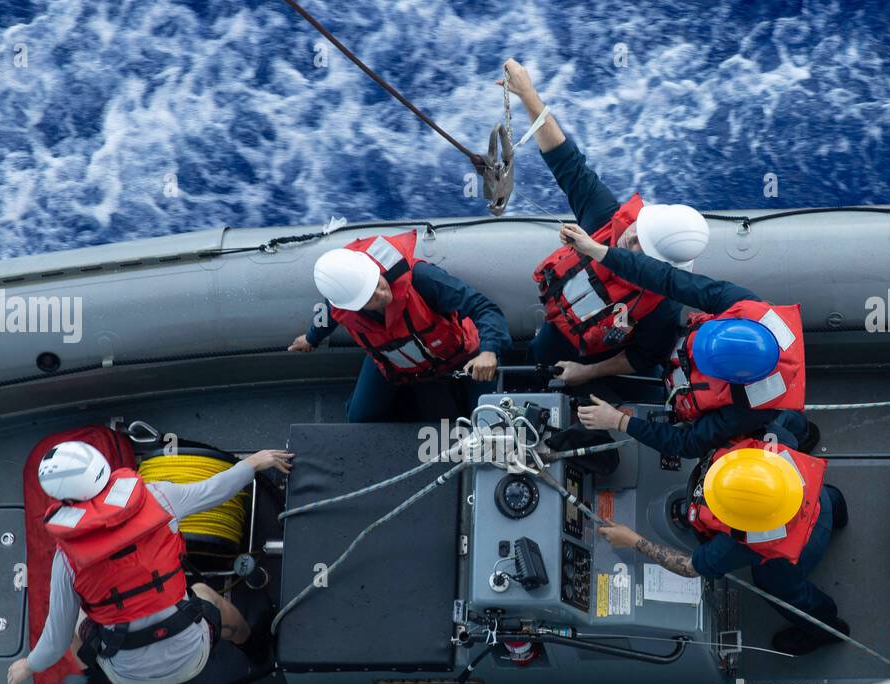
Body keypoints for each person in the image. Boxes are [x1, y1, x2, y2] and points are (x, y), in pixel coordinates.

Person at [7, 440, 294, 684]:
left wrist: (28, 665)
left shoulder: (66, 560)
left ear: (62, 498)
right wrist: (254, 463)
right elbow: (214, 490)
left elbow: (55, 644)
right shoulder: (160, 497)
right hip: (193, 655)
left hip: (128, 678)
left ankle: (95, 681)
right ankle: (256, 647)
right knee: (207, 595)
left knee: (73, 623)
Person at [500, 58, 709, 385]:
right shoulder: (605, 217)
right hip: (565, 332)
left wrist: (587, 373)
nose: (630, 240)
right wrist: (527, 94)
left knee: (645, 388)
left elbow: (645, 356)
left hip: (613, 353)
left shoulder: (664, 303)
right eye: (641, 231)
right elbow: (565, 160)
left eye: (644, 247)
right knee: (539, 357)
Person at [561, 221, 818, 458]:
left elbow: (688, 443)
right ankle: (802, 429)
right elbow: (667, 279)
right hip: (678, 368)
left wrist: (618, 421)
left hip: (715, 401)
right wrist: (596, 250)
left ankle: (803, 434)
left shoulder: (750, 408)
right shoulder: (740, 303)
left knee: (780, 425)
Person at [599, 428, 848, 655]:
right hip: (819, 501)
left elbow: (688, 567)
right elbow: (790, 424)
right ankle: (840, 511)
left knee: (778, 585)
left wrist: (632, 540)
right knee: (829, 499)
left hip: (801, 551)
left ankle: (826, 628)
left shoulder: (737, 545)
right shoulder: (776, 443)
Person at [290, 230, 509, 423]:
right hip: (396, 363)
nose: (381, 293)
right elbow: (329, 317)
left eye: (377, 283)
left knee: (488, 419)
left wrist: (488, 352)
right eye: (370, 296)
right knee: (360, 417)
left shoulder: (421, 279)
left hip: (460, 354)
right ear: (354, 307)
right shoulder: (342, 301)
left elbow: (484, 308)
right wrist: (311, 339)